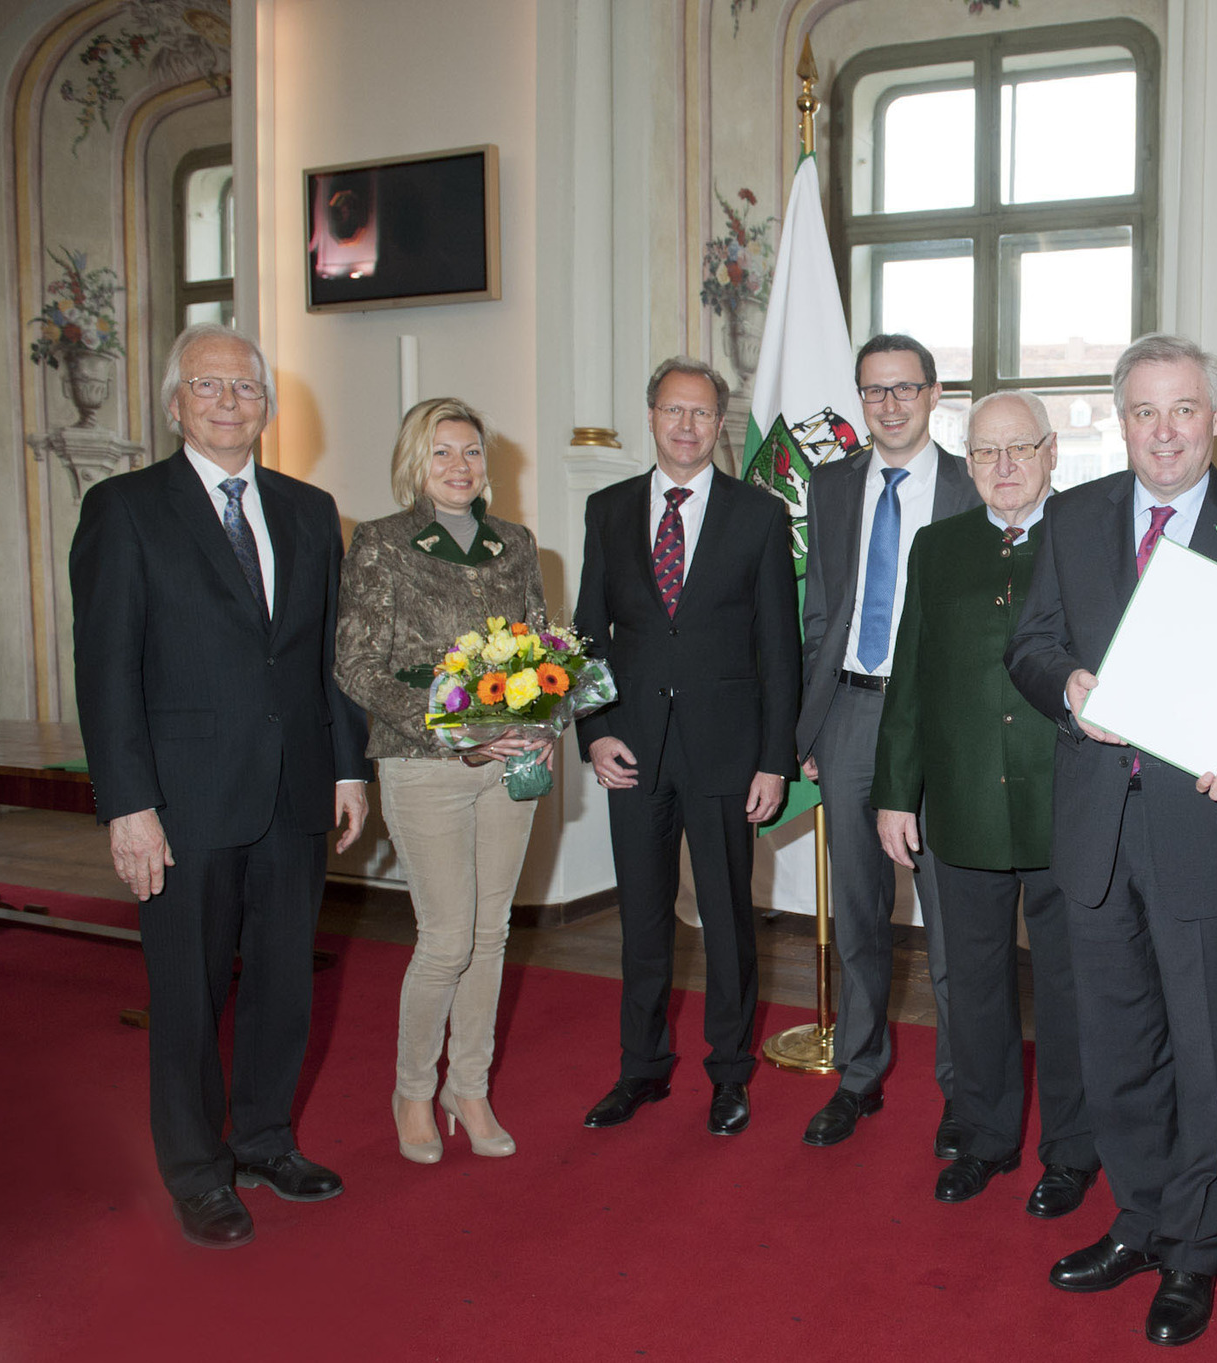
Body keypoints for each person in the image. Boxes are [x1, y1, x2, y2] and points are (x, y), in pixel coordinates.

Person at [1006, 333, 1217, 1348]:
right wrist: (1066, 687)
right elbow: (1030, 645)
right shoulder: (1073, 515)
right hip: (1097, 827)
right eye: (1142, 412)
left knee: (1203, 1052)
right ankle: (1137, 1220)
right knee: (1115, 1047)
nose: (1162, 431)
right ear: (1119, 420)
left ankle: (1192, 1248)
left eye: (1181, 409)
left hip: (1209, 834)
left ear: (1216, 415)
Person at [69, 322, 370, 1248]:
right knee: (190, 991)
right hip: (183, 798)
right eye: (209, 388)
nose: (230, 403)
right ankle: (198, 1170)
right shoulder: (124, 509)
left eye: (245, 389)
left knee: (284, 982)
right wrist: (128, 803)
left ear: (268, 406)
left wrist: (350, 765)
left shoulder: (312, 510)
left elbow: (331, 655)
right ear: (174, 405)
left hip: (295, 792)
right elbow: (106, 668)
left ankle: (268, 1139)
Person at [870, 389, 1099, 1216]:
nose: (1003, 468)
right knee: (971, 983)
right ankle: (984, 1134)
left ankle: (1072, 1148)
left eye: (1019, 450)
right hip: (963, 801)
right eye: (985, 454)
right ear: (967, 464)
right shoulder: (937, 546)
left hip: (1065, 803)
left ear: (1050, 454)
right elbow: (912, 673)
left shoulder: (1092, 535)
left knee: (1071, 987)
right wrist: (897, 793)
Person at [574, 357, 800, 1138]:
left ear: (719, 424)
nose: (686, 425)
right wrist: (594, 731)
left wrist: (774, 757)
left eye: (702, 413)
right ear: (650, 415)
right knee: (641, 920)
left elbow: (779, 648)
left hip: (727, 756)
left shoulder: (758, 515)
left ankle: (730, 1074)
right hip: (632, 752)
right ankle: (641, 1068)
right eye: (673, 409)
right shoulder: (607, 510)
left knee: (728, 918)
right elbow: (586, 637)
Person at [334, 398, 550, 1164]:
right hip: (426, 764)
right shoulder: (383, 544)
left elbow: (539, 650)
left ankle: (471, 1085)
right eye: (441, 453)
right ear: (414, 464)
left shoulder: (517, 542)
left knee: (492, 935)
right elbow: (356, 665)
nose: (459, 467)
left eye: (469, 452)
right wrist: (456, 728)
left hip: (510, 766)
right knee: (446, 938)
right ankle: (412, 1089)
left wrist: (544, 728)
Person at [795, 333, 982, 1150]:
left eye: (906, 388)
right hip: (852, 716)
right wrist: (811, 722)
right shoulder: (832, 484)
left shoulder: (976, 486)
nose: (891, 404)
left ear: (935, 394)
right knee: (860, 912)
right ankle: (859, 1076)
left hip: (942, 721)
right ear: (861, 399)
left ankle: (963, 1092)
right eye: (875, 391)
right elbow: (821, 611)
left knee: (951, 920)